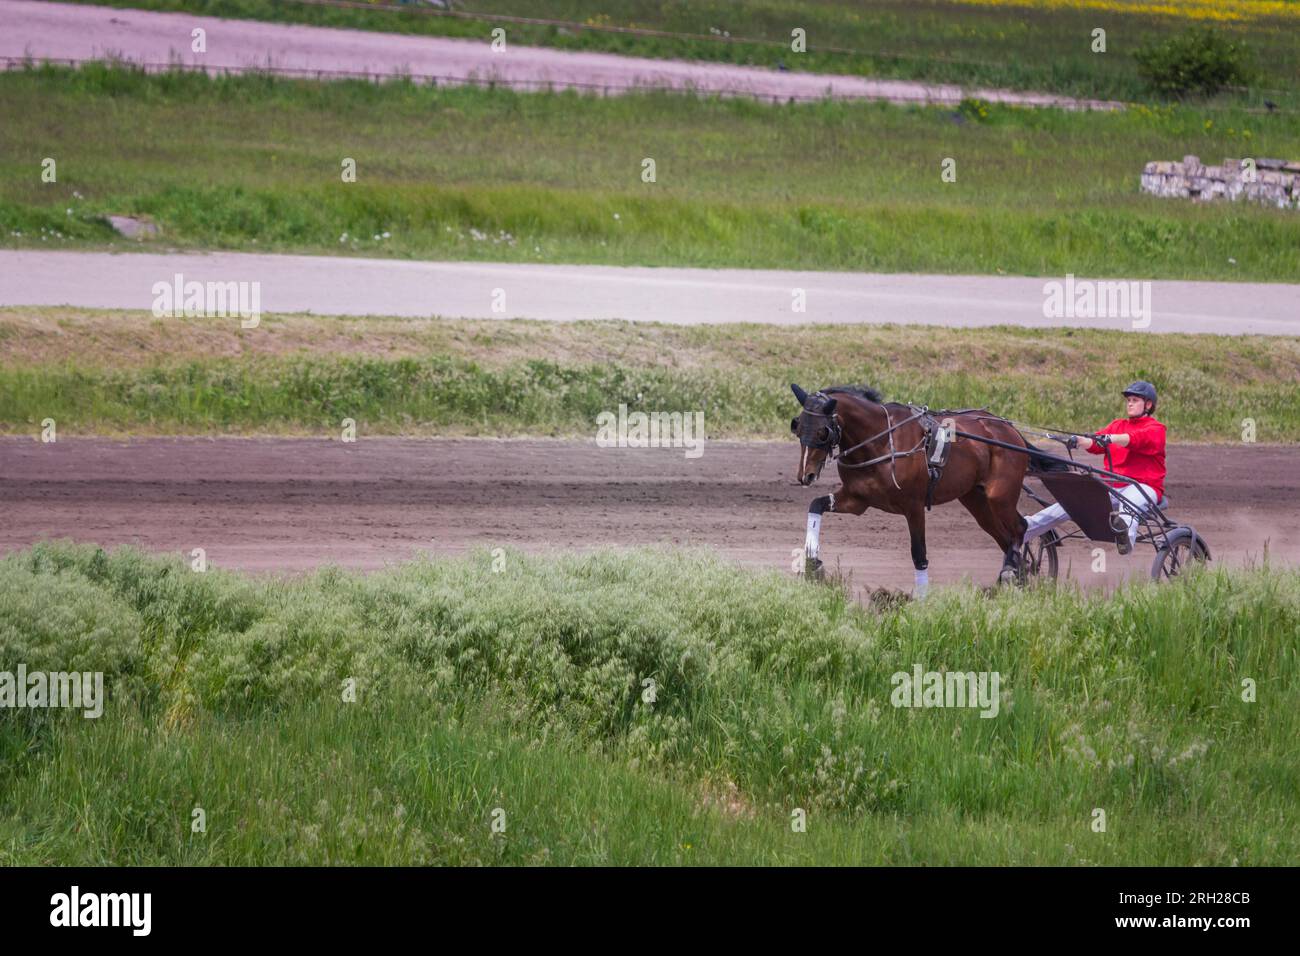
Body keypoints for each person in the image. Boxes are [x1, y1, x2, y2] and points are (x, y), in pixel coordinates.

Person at [1023, 381, 1166, 555]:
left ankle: (1125, 538)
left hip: (1144, 487)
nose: (1129, 403)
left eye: (1135, 400)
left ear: (1148, 404)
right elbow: (1095, 443)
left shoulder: (1156, 429)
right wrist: (1078, 440)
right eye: (1128, 399)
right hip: (1114, 485)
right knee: (1069, 504)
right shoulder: (1117, 425)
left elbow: (1134, 439)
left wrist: (1110, 439)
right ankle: (1025, 527)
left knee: (1128, 507)